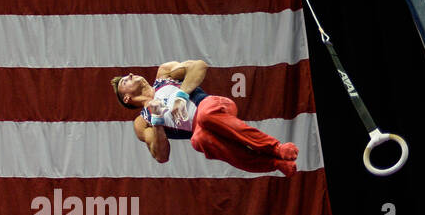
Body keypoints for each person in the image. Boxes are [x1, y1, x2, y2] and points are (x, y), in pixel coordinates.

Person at [110, 59, 298, 176]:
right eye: (126, 81)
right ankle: (274, 163)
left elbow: (199, 65)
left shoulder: (163, 74)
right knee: (199, 140)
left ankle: (276, 147)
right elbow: (162, 156)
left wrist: (181, 97)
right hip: (201, 128)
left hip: (214, 106)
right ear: (127, 98)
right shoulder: (143, 122)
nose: (131, 74)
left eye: (127, 75)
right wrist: (158, 118)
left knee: (205, 115)